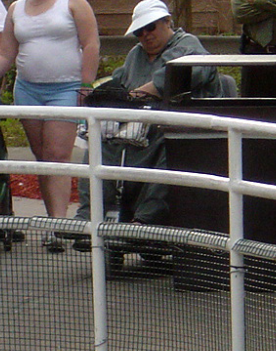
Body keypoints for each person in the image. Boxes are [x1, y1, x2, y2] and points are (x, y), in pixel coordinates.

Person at [0, 0, 98, 252]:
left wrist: (86, 83)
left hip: (67, 87)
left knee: (57, 156)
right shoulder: (16, 9)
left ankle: (58, 226)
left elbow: (91, 43)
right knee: (42, 157)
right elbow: (5, 54)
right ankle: (51, 220)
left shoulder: (74, 5)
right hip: (28, 89)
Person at [73, 0, 221, 231]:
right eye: (139, 32)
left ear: (167, 22)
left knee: (167, 143)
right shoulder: (136, 54)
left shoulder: (188, 46)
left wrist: (140, 92)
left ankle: (145, 218)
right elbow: (119, 82)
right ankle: (90, 215)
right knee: (99, 137)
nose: (145, 35)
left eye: (150, 27)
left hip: (178, 127)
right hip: (137, 126)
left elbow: (184, 75)